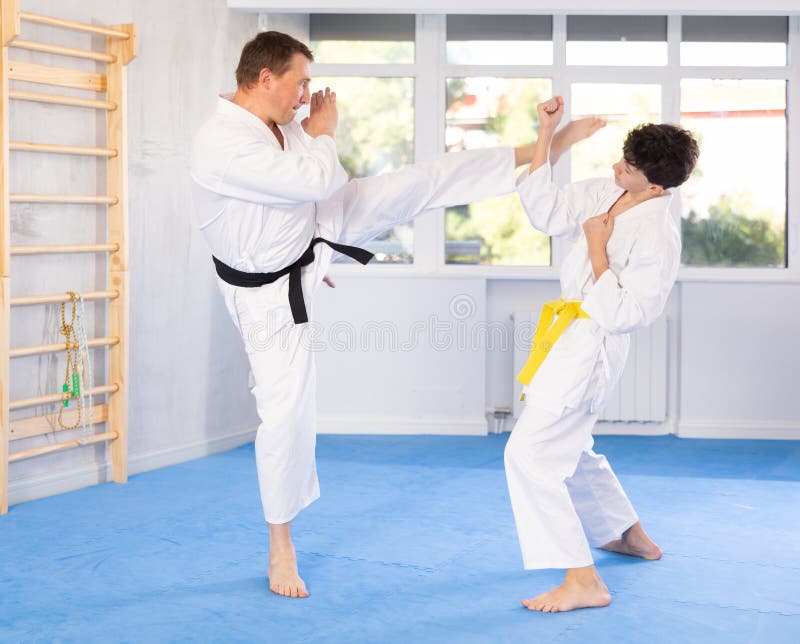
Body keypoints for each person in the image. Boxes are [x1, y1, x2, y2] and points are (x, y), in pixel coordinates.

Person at [191, 32, 601, 599]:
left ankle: (538, 153)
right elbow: (317, 179)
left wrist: (312, 246)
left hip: (307, 238)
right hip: (264, 294)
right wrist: (324, 132)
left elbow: (285, 200)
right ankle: (279, 549)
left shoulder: (278, 124)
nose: (305, 94)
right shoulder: (222, 142)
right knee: (285, 414)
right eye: (300, 81)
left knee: (419, 182)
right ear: (265, 79)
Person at [505, 96, 699, 612]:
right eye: (622, 158)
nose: (617, 167)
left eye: (629, 167)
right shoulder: (609, 190)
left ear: (656, 187)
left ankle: (582, 578)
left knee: (529, 456)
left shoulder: (659, 232)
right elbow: (544, 211)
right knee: (574, 447)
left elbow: (629, 313)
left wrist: (595, 250)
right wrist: (546, 132)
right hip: (569, 338)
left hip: (594, 346)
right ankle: (626, 533)